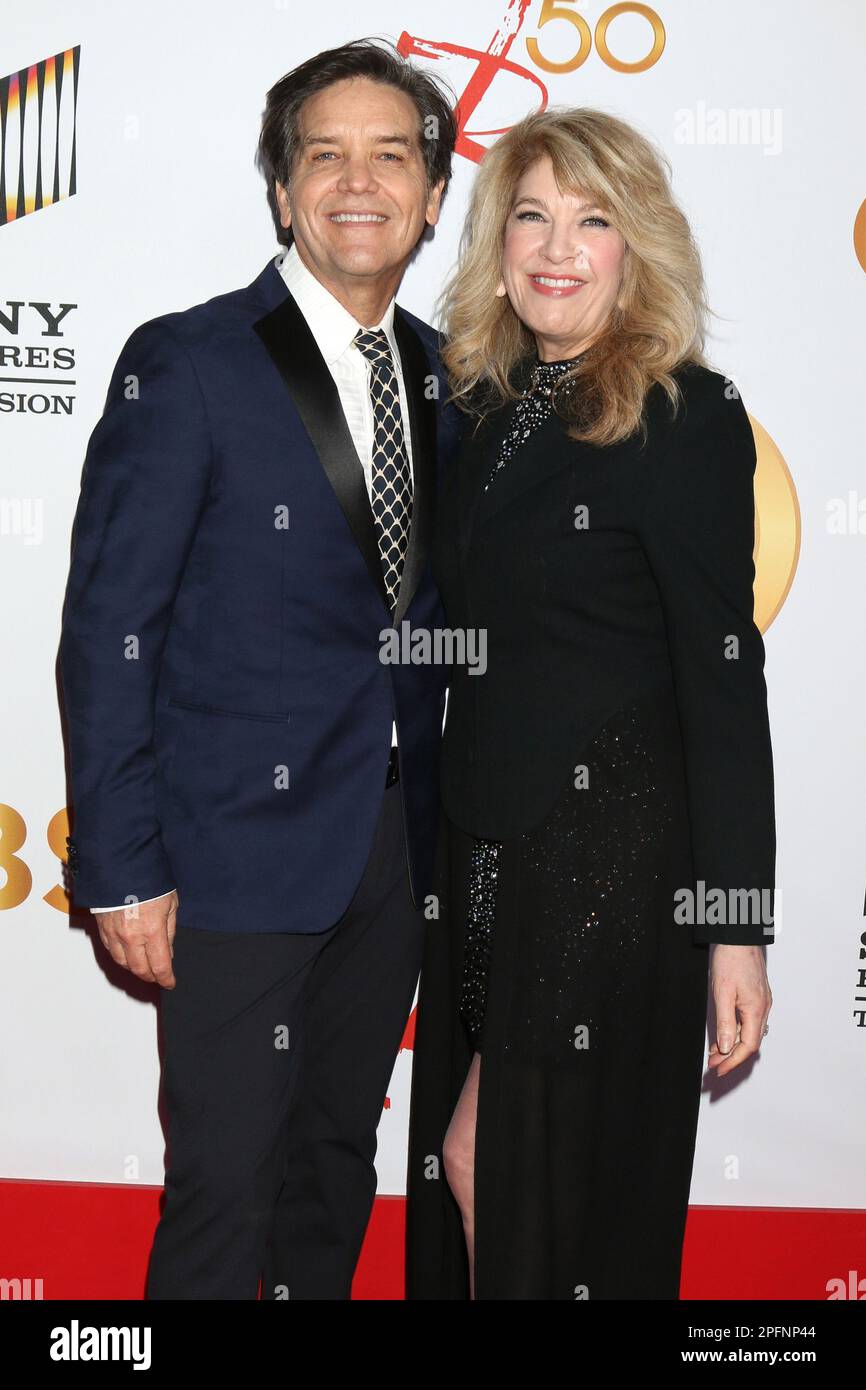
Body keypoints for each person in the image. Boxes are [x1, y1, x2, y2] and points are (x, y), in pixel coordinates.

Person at [59, 39, 458, 1300]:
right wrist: (122, 864)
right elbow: (110, 628)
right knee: (225, 1180)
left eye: (389, 154)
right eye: (321, 154)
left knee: (335, 1161)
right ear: (282, 192)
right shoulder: (190, 360)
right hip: (231, 853)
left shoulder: (453, 378)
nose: (357, 180)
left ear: (433, 195)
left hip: (396, 853)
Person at [405, 107, 776, 1301]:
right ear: (496, 242)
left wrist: (735, 925)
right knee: (474, 1165)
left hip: (609, 866)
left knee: (523, 1176)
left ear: (635, 246)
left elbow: (722, 674)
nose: (555, 248)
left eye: (591, 219)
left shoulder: (680, 412)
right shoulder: (490, 409)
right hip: (487, 850)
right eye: (529, 215)